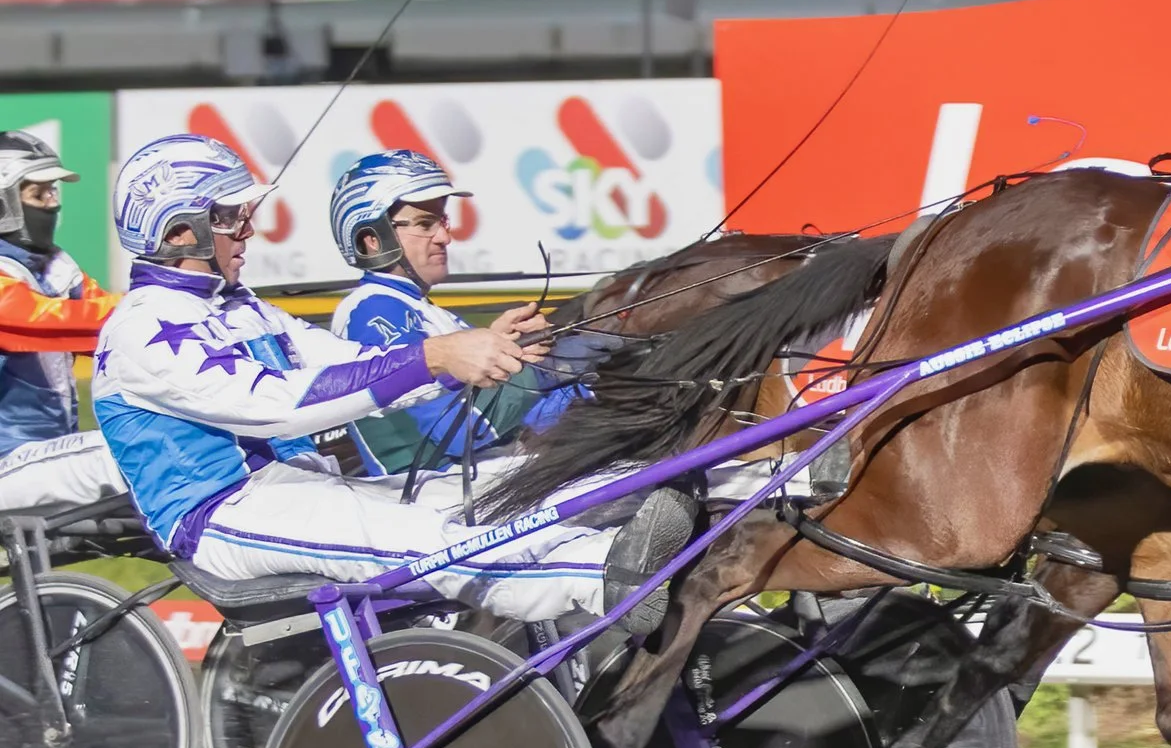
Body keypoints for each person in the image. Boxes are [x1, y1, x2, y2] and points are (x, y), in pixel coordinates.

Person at [92, 135, 695, 629]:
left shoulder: (244, 308)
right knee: (422, 537)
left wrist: (481, 348)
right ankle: (603, 577)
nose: (246, 231)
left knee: (516, 482)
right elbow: (278, 406)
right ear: (176, 231)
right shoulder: (142, 328)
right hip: (223, 515)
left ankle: (649, 519)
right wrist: (433, 357)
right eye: (228, 218)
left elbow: (353, 362)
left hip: (307, 486)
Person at [326, 149, 577, 478]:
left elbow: (539, 414)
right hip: (433, 496)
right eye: (425, 224)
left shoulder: (427, 312)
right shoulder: (372, 311)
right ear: (373, 240)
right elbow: (460, 431)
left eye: (442, 221)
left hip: (492, 478)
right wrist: (534, 367)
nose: (445, 237)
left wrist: (587, 387)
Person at [0, 131, 129, 511]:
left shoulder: (56, 265)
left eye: (54, 192)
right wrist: (158, 306)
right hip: (7, 462)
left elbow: (114, 329)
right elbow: (39, 322)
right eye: (39, 194)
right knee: (146, 449)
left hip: (41, 458)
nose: (53, 204)